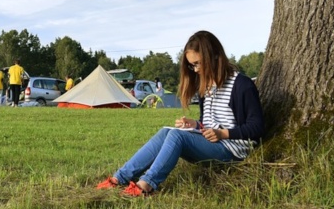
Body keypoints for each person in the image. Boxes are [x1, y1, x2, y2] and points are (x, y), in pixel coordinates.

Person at [96, 30, 264, 197]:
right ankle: (119, 178)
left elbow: (257, 127)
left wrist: (223, 133)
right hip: (212, 144)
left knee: (177, 136)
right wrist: (195, 125)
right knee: (165, 132)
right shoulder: (206, 86)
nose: (195, 70)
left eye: (198, 63)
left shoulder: (241, 85)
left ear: (213, 56)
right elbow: (211, 124)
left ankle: (146, 185)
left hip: (232, 151)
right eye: (192, 65)